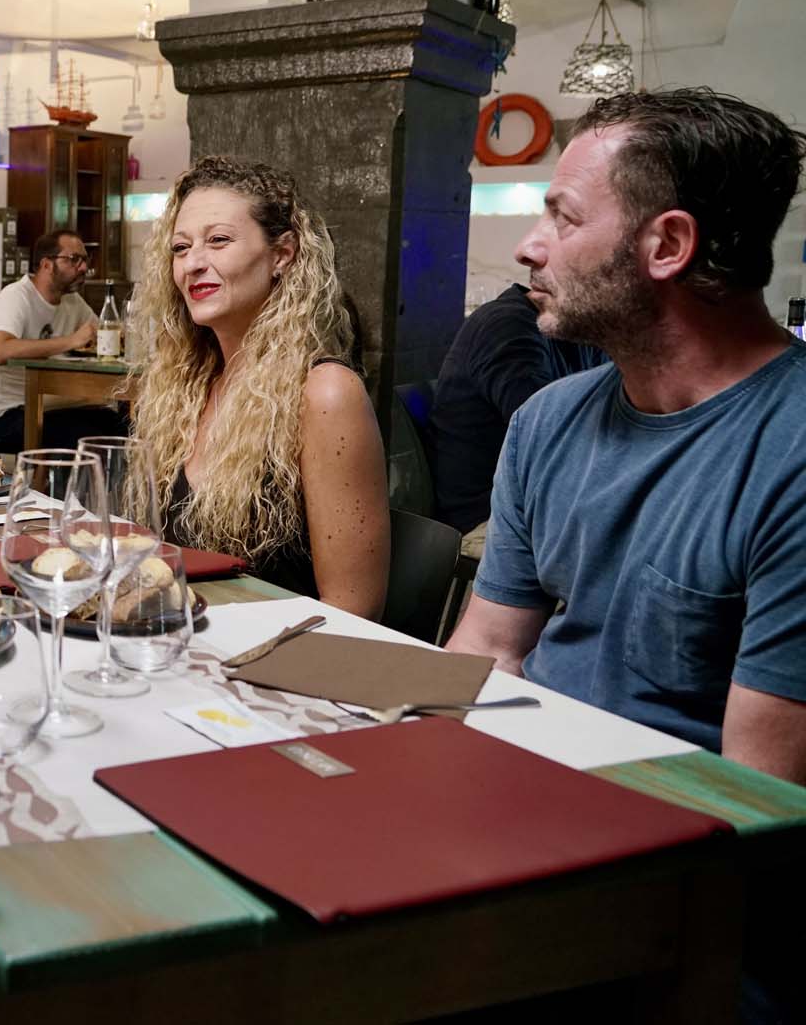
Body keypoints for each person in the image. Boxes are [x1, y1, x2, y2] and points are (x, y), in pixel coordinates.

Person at [445, 88, 806, 780]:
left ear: (667, 245)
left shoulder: (788, 451)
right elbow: (487, 653)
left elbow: (761, 794)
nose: (528, 247)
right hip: (520, 790)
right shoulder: (545, 422)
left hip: (670, 847)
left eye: (564, 218)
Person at [124, 159, 388, 615]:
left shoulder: (325, 393)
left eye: (218, 241)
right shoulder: (185, 387)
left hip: (274, 663)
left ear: (282, 255)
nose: (193, 265)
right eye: (180, 248)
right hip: (181, 644)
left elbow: (354, 607)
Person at [427, 282, 603, 536]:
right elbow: (554, 441)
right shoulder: (506, 326)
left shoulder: (584, 328)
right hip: (485, 518)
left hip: (543, 504)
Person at [0, 229, 122, 452]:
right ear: (46, 264)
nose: (83, 268)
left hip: (61, 404)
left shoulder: (72, 301)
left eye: (85, 260)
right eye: (74, 259)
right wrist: (72, 341)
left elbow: (102, 332)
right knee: (86, 440)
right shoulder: (16, 296)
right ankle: (70, 487)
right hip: (15, 412)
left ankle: (120, 488)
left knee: (126, 429)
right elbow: (2, 349)